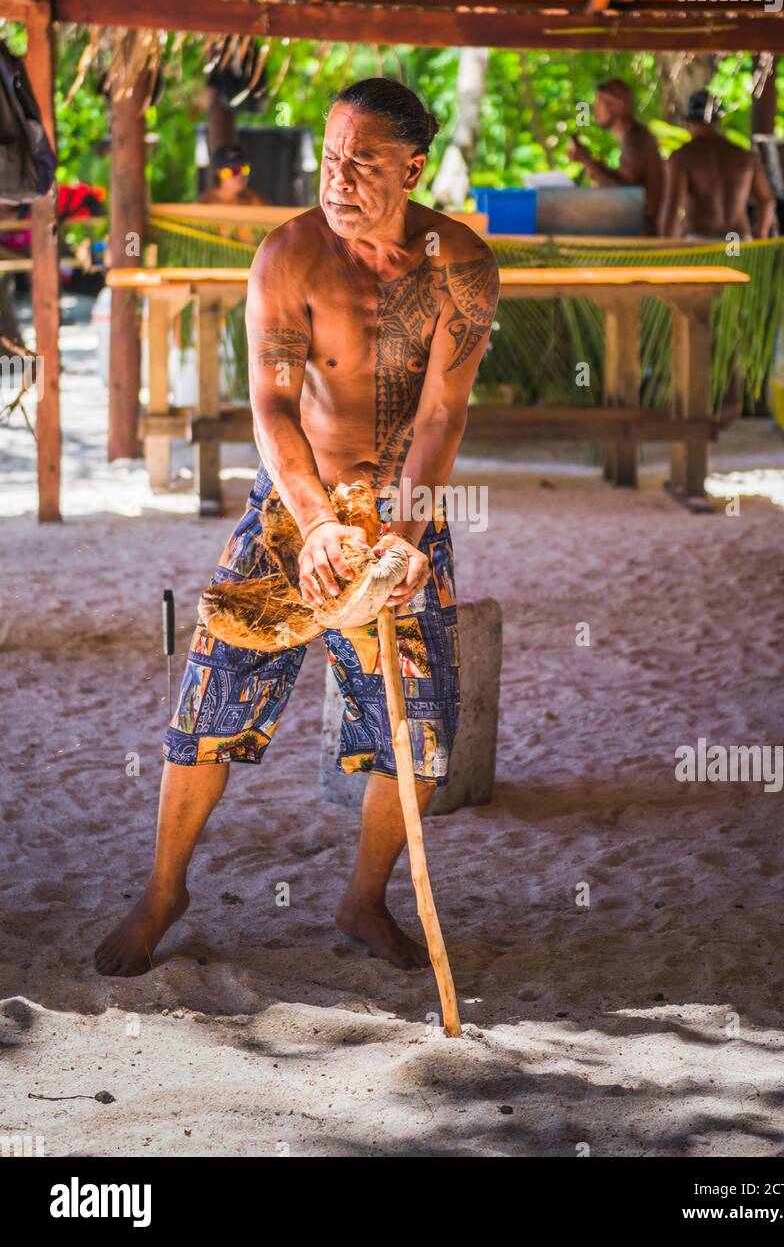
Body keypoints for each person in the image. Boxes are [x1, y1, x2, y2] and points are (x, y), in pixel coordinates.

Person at [95, 78, 499, 977]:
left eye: (362, 163)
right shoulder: (286, 254)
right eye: (329, 158)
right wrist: (317, 526)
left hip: (399, 513)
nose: (338, 178)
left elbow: (440, 417)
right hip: (292, 507)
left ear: (413, 166)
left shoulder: (459, 267)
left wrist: (403, 532)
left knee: (419, 736)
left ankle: (362, 901)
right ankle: (164, 890)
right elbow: (272, 408)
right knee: (210, 698)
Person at [658, 90, 776, 240]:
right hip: (737, 239)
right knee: (734, 261)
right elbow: (767, 201)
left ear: (687, 121)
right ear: (719, 120)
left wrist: (665, 249)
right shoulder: (745, 157)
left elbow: (673, 206)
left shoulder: (682, 157)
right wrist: (761, 238)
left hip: (700, 240)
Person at [567, 78, 664, 235]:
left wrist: (588, 161)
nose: (595, 110)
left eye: (600, 103)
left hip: (641, 233)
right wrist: (595, 166)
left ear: (618, 105)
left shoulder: (636, 138)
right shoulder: (632, 137)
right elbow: (624, 181)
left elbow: (624, 193)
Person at [197, 142, 270, 206]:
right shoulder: (205, 203)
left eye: (243, 169)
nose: (239, 175)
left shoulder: (256, 202)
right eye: (232, 171)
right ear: (218, 172)